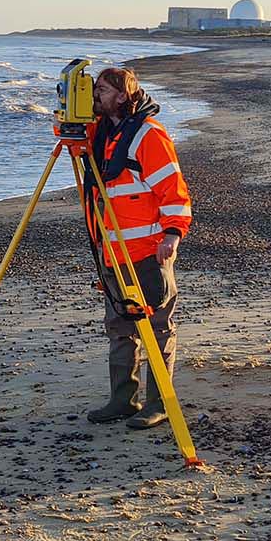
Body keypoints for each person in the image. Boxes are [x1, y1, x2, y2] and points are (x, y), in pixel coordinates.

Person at [78, 65, 194, 428]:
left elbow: (173, 190)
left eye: (102, 90)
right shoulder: (98, 135)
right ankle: (122, 399)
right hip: (112, 252)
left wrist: (173, 234)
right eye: (93, 88)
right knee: (119, 327)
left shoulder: (148, 136)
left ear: (123, 95)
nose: (95, 95)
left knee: (157, 326)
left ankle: (159, 403)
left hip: (147, 250)